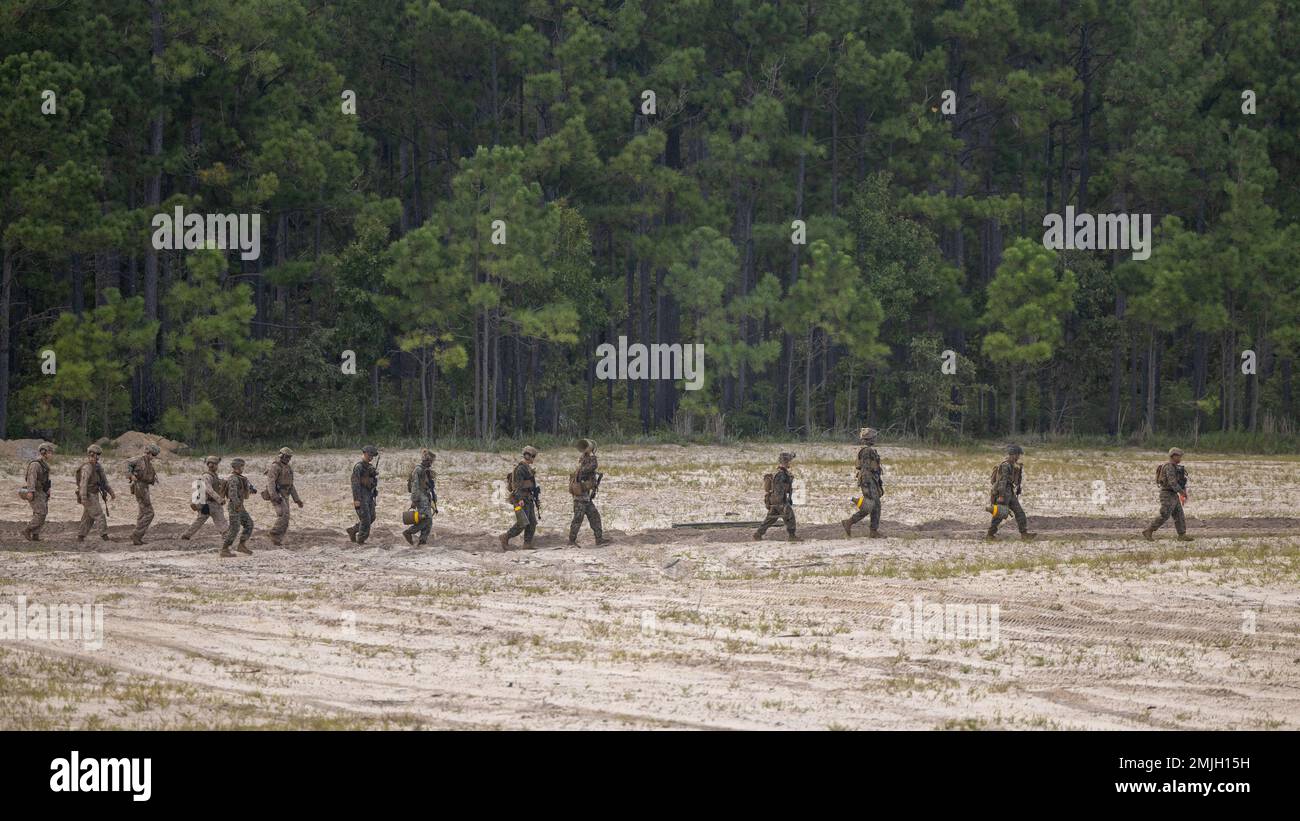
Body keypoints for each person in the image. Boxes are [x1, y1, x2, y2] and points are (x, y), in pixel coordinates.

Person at [842, 427, 885, 538]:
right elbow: (866, 468)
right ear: (869, 438)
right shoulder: (867, 451)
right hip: (868, 480)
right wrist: (868, 483)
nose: (875, 439)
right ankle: (851, 523)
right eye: (873, 437)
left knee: (874, 506)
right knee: (872, 505)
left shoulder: (868, 450)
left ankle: (870, 530)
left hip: (870, 480)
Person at [1143, 447, 1193, 542]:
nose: (1180, 458)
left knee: (1179, 515)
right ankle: (1148, 530)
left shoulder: (1174, 467)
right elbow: (1172, 483)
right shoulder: (1169, 467)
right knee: (1164, 514)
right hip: (1167, 494)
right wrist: (1182, 492)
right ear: (1173, 456)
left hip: (1173, 494)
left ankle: (1182, 535)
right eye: (1178, 456)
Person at [568, 438, 611, 547]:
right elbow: (592, 466)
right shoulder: (585, 464)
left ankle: (599, 539)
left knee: (595, 516)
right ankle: (571, 541)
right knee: (578, 519)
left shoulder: (584, 461)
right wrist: (592, 455)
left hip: (585, 496)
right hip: (581, 497)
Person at [987, 444, 1036, 540]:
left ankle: (1024, 534)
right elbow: (1002, 481)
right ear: (1013, 454)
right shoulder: (1005, 465)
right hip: (1004, 493)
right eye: (1017, 455)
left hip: (1010, 492)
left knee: (1020, 513)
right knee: (999, 515)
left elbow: (1012, 480)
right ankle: (990, 534)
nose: (1018, 457)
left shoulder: (1013, 465)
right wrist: (1001, 496)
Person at [500, 445, 540, 550]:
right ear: (528, 456)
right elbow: (517, 486)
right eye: (533, 456)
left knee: (532, 522)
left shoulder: (527, 468)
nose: (533, 459)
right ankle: (505, 537)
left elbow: (531, 486)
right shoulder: (521, 469)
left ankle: (527, 544)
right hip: (519, 500)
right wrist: (520, 499)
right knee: (522, 522)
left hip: (528, 499)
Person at [754, 452, 800, 542]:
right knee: (790, 516)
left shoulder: (782, 473)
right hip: (779, 500)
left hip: (775, 499)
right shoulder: (781, 474)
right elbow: (780, 489)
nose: (790, 463)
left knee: (771, 518)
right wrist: (782, 503)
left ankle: (758, 534)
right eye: (789, 461)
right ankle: (792, 536)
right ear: (786, 462)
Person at [182, 455, 228, 540]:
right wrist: (219, 499)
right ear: (212, 465)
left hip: (209, 504)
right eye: (216, 464)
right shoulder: (207, 476)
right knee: (217, 520)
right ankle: (186, 535)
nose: (217, 466)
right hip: (209, 504)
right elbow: (209, 490)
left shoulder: (212, 475)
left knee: (204, 520)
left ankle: (186, 535)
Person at [76, 444, 115, 543]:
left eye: (97, 455)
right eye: (95, 455)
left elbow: (104, 482)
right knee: (99, 515)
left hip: (94, 494)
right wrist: (83, 497)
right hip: (89, 495)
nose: (96, 458)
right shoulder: (87, 467)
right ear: (90, 455)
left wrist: (110, 491)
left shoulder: (97, 467)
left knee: (88, 517)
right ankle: (104, 536)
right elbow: (83, 483)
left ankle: (81, 536)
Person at [265, 447, 303, 546]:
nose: (288, 459)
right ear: (281, 455)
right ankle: (274, 534)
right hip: (278, 494)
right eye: (286, 456)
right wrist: (274, 496)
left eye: (289, 457)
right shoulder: (275, 467)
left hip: (285, 494)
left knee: (286, 517)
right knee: (283, 515)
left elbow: (291, 485)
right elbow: (271, 482)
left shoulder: (288, 468)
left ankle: (277, 538)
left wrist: (297, 499)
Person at [221, 458, 257, 557]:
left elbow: (241, 491)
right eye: (242, 466)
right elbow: (232, 494)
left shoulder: (240, 478)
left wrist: (251, 490)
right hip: (234, 506)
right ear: (237, 467)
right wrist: (237, 505)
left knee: (249, 524)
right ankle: (224, 549)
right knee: (235, 528)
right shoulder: (233, 479)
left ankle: (241, 545)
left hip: (239, 506)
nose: (243, 468)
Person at [126, 444, 160, 545]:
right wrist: (130, 476)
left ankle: (137, 538)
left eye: (155, 455)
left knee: (142, 512)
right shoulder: (139, 459)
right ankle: (137, 534)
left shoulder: (148, 462)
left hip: (144, 487)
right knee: (149, 513)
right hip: (140, 487)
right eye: (153, 454)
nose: (154, 457)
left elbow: (149, 474)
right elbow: (127, 463)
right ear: (148, 452)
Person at [20, 442, 56, 541]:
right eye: (49, 452)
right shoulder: (35, 464)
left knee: (41, 512)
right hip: (35, 491)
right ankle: (27, 530)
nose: (51, 454)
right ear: (44, 452)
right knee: (41, 513)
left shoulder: (44, 465)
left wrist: (48, 490)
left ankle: (35, 535)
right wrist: (31, 491)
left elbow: (46, 480)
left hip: (42, 491)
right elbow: (31, 478)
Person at [403, 449, 437, 546]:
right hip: (420, 498)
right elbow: (415, 486)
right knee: (426, 519)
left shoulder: (426, 470)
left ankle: (423, 540)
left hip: (425, 497)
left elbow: (429, 486)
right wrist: (414, 500)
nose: (431, 463)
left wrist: (433, 499)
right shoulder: (418, 470)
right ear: (426, 460)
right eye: (430, 461)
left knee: (428, 521)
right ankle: (409, 532)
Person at [347, 445, 380, 545]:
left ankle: (353, 530)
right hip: (361, 497)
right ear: (365, 454)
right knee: (365, 518)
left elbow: (372, 482)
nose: (371, 458)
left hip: (369, 496)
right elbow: (355, 483)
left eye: (372, 456)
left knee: (372, 517)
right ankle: (361, 539)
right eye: (369, 455)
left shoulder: (369, 467)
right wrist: (356, 499)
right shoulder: (359, 467)